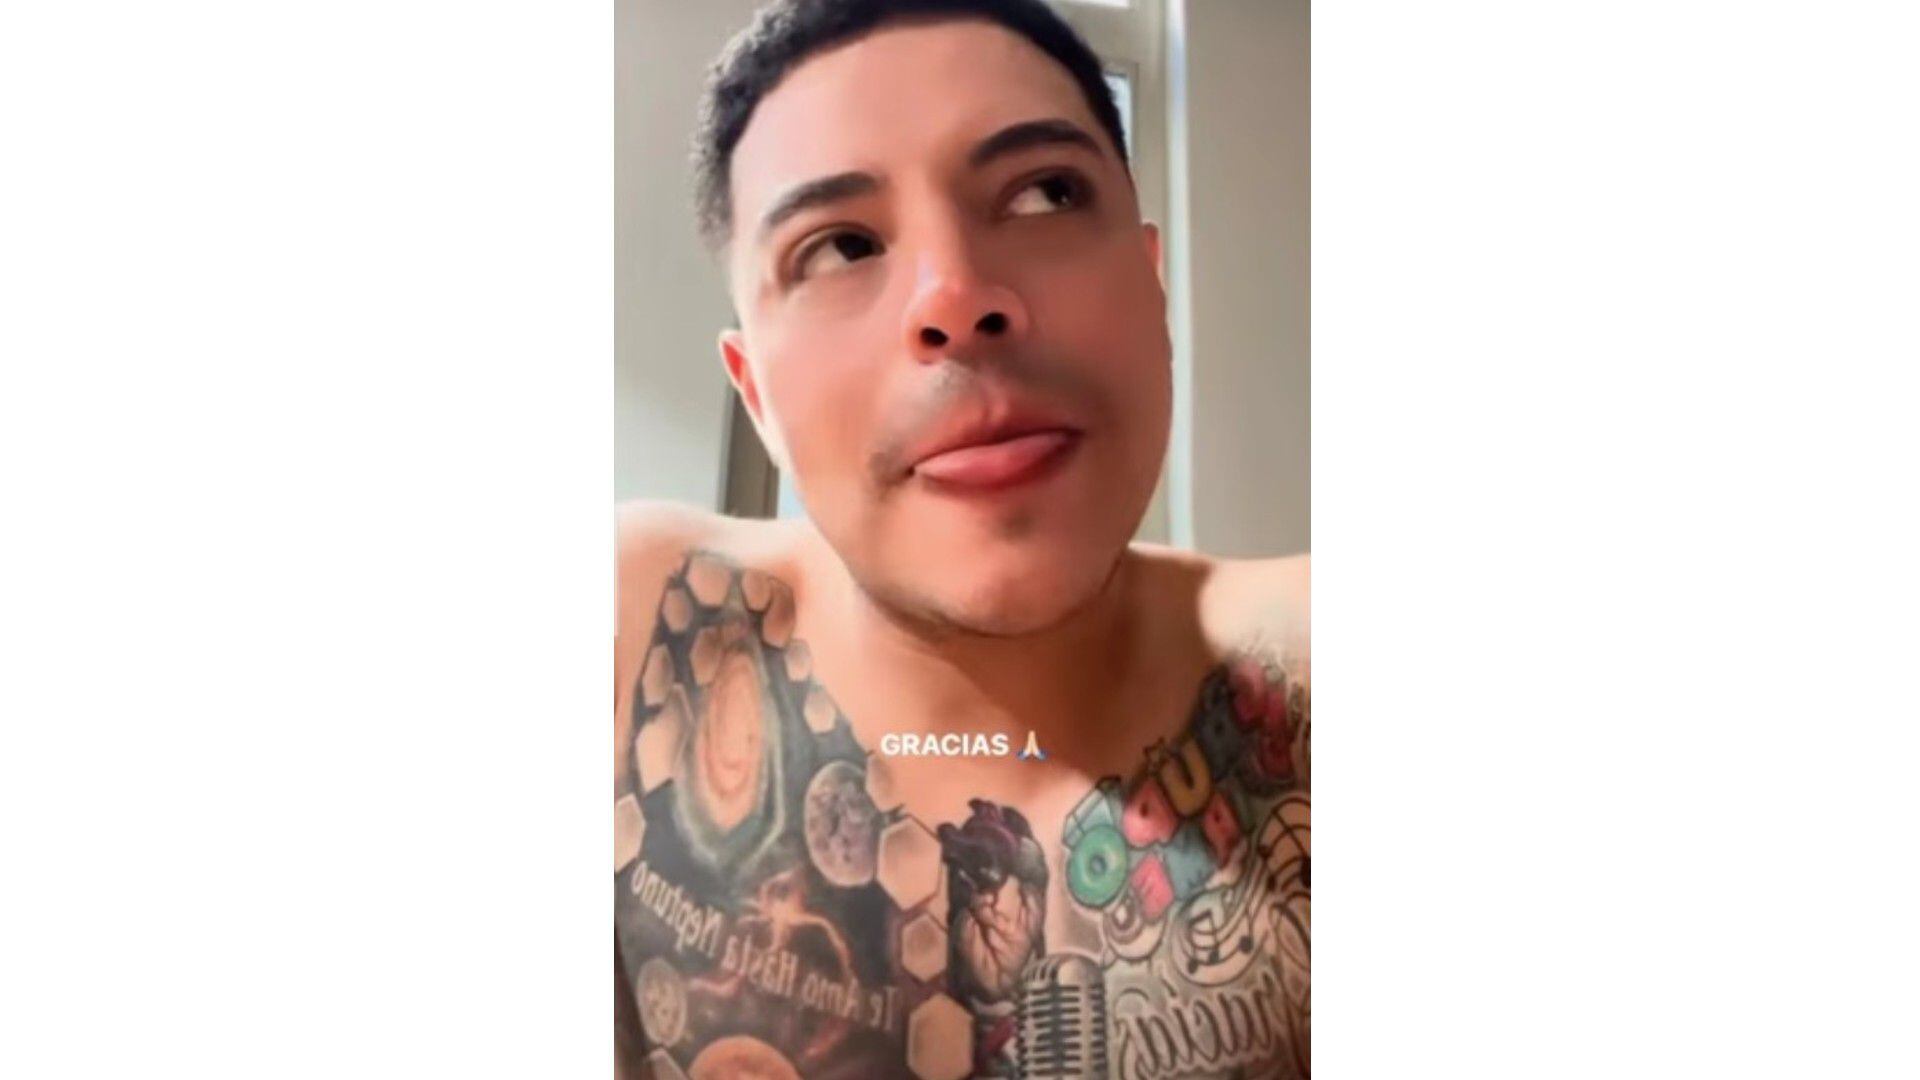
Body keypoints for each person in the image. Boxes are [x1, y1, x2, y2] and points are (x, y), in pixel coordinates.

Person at [614, 2, 1308, 1077]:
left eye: (1042, 194)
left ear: (1152, 285)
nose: (955, 298)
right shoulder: (628, 636)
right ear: (757, 399)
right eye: (839, 246)